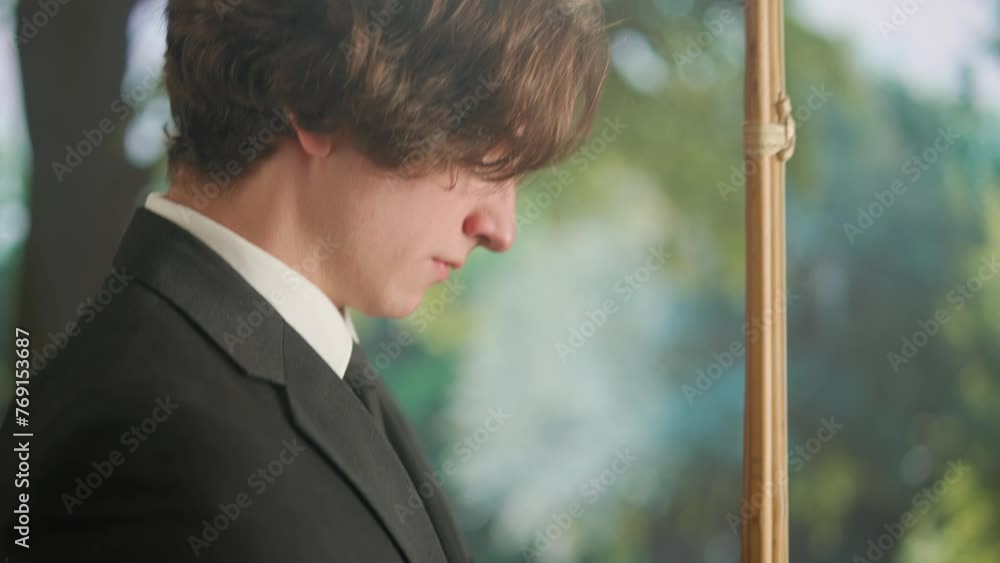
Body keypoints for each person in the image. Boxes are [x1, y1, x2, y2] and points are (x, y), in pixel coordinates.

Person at [1, 0, 608, 560]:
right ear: (319, 100)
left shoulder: (306, 365)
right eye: (481, 154)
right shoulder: (135, 433)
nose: (501, 229)